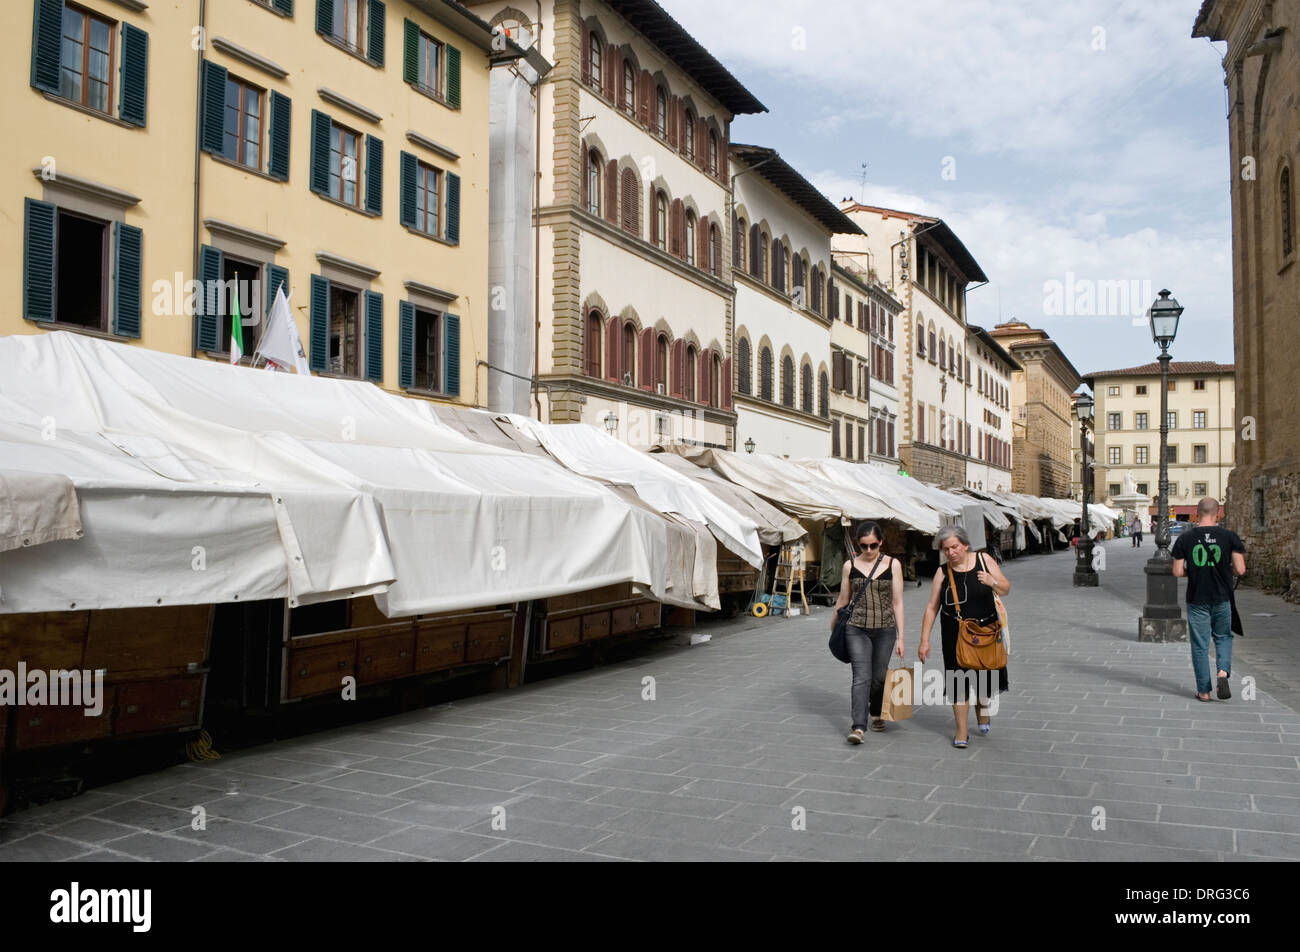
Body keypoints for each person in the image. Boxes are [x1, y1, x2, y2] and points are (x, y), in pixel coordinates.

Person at [919, 526, 1010, 748]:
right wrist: (924, 640)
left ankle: (983, 709)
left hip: (986, 631)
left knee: (984, 681)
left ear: (965, 545)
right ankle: (961, 731)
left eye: (954, 547)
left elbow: (1006, 588)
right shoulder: (942, 572)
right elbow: (932, 608)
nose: (950, 553)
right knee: (957, 681)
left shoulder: (984, 560)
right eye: (946, 549)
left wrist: (993, 582)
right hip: (954, 633)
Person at [833, 521, 905, 743]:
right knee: (861, 677)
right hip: (856, 628)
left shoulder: (893, 565)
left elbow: (897, 602)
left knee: (879, 677)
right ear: (858, 544)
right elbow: (843, 600)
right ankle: (858, 727)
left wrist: (901, 636)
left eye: (873, 545)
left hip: (885, 628)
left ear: (881, 542)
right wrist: (835, 626)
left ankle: (876, 711)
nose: (869, 551)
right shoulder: (849, 566)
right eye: (864, 546)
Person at [1172, 497, 1246, 701]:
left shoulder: (1184, 539)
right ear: (1218, 515)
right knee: (1223, 637)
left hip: (1197, 598)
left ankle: (1204, 691)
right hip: (1222, 597)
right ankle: (1222, 672)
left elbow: (1177, 572)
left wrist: (1194, 571)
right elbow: (1240, 569)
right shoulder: (1229, 537)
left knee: (1200, 645)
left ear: (1196, 515)